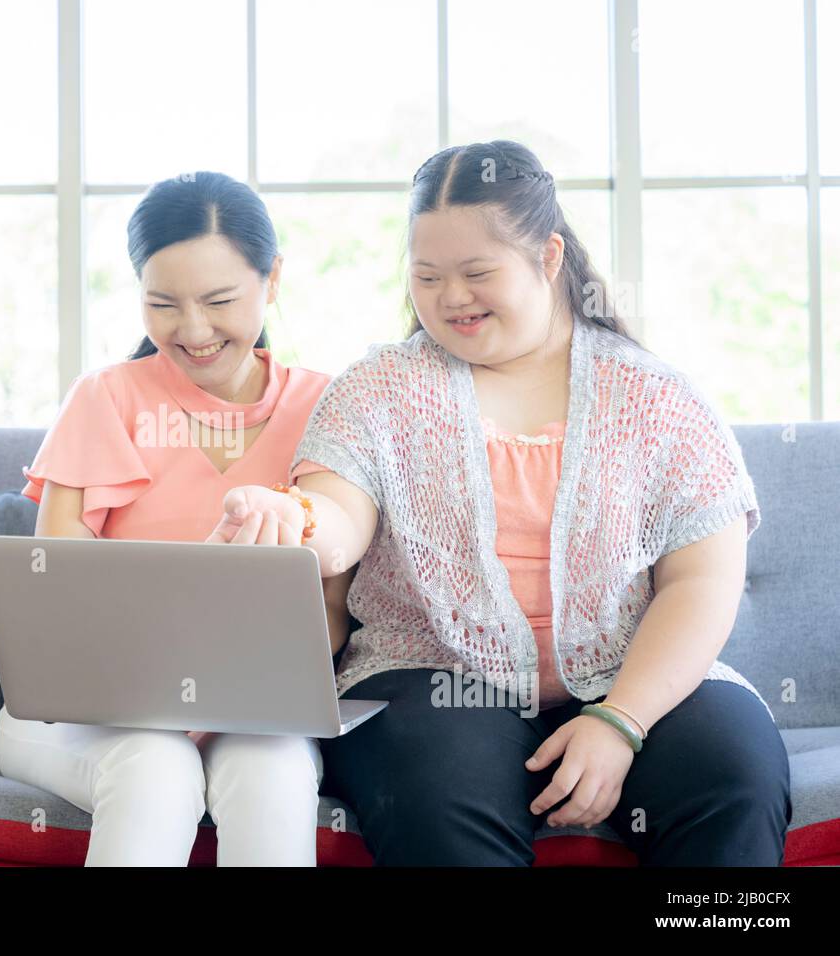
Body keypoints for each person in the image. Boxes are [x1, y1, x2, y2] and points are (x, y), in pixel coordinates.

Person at [207, 140, 793, 866]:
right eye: (427, 276)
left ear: (548, 258)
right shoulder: (378, 389)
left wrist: (620, 720)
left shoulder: (655, 396)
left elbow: (702, 581)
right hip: (429, 672)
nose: (451, 297)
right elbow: (338, 516)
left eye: (477, 272)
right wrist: (291, 520)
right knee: (439, 794)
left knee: (734, 774)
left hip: (628, 669)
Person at [0, 170, 355, 866]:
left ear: (272, 278)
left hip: (252, 712)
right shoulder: (105, 398)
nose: (192, 331)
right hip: (84, 716)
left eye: (220, 300)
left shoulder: (326, 408)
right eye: (163, 304)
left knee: (275, 773)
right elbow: (52, 606)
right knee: (156, 767)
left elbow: (332, 618)